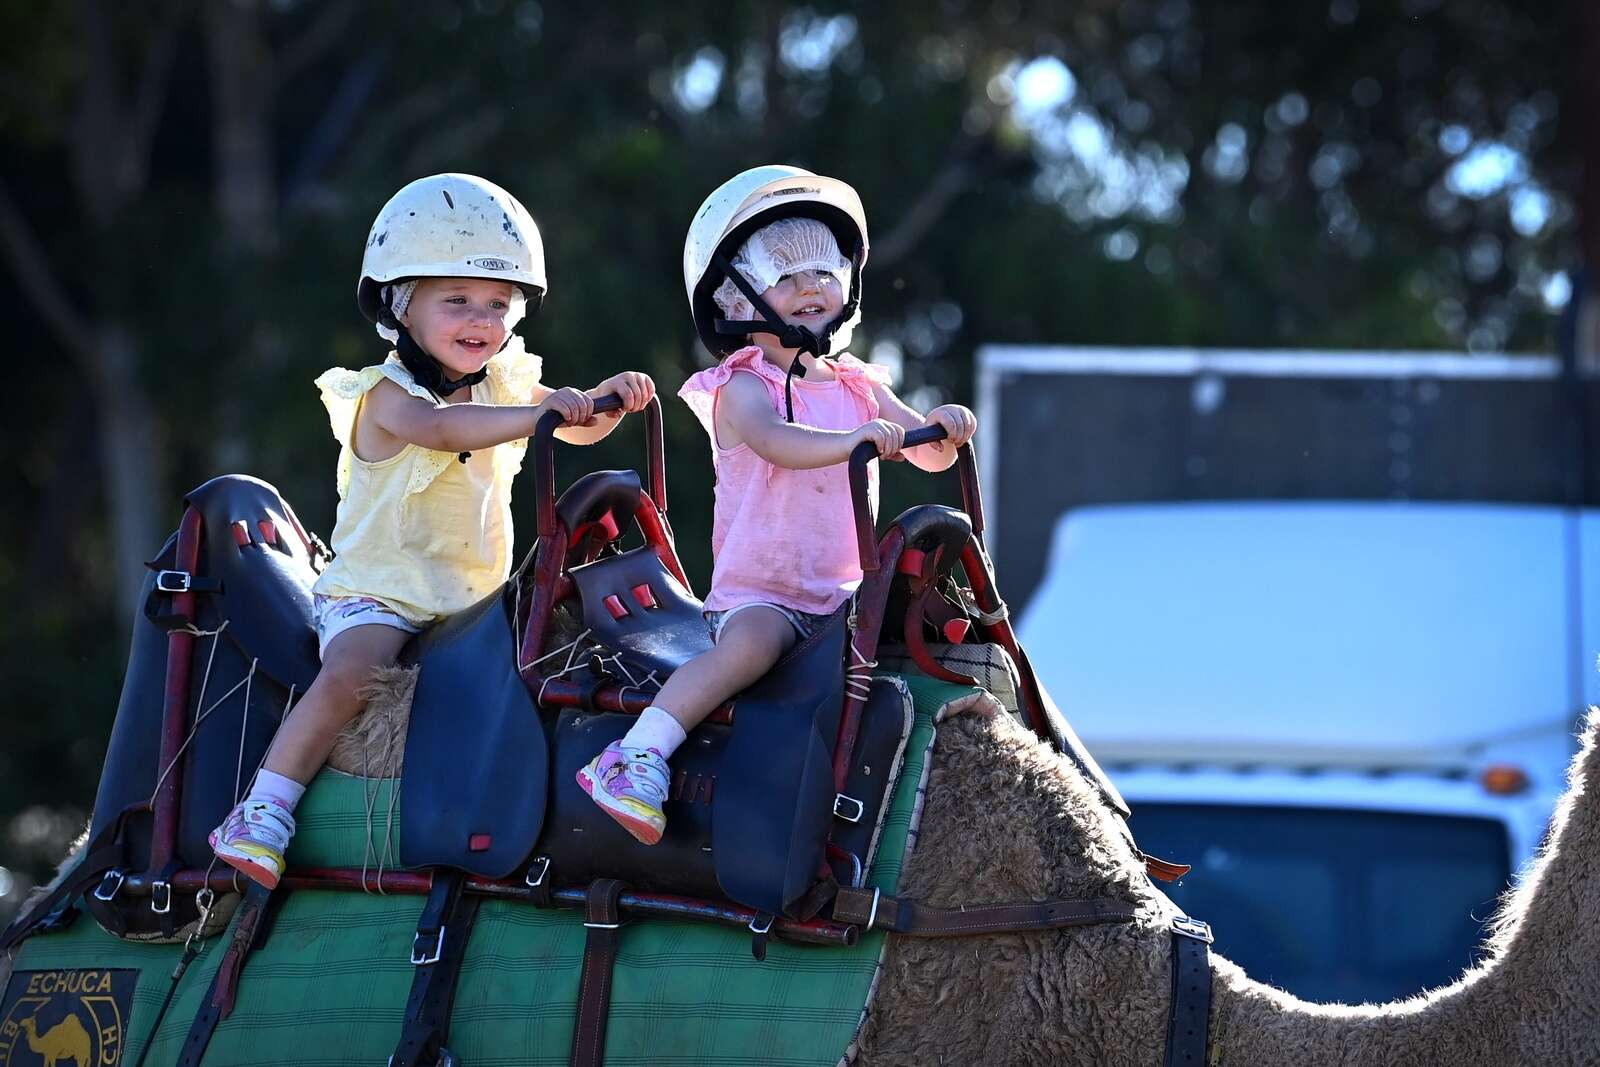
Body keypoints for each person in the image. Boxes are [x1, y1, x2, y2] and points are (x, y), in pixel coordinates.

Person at [211, 173, 655, 888]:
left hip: (471, 601)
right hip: (383, 595)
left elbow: (574, 428)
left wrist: (610, 399)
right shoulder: (387, 397)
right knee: (355, 672)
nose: (481, 318)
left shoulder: (504, 384)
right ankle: (265, 805)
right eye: (457, 300)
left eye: (499, 304)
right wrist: (541, 415)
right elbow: (447, 428)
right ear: (400, 306)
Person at [577, 165, 976, 845]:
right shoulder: (740, 387)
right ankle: (634, 755)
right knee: (751, 649)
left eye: (824, 271)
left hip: (844, 589)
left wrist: (943, 426)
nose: (811, 287)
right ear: (736, 299)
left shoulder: (857, 381)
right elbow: (775, 441)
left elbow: (925, 451)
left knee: (930, 636)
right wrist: (852, 439)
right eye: (787, 276)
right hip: (764, 590)